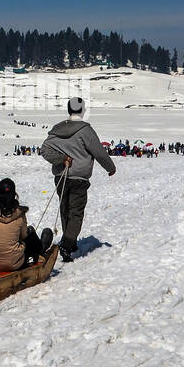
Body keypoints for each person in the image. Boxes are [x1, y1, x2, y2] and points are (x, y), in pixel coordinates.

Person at [40, 97, 116, 262]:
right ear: (82, 110)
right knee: (75, 213)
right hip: (79, 178)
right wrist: (110, 167)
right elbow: (99, 152)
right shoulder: (85, 130)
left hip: (61, 176)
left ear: (69, 109)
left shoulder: (56, 130)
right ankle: (67, 245)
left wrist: (61, 159)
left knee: (65, 210)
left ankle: (70, 243)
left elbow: (44, 150)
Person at [0, 178, 54, 271]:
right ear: (14, 195)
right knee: (29, 232)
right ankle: (41, 248)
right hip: (11, 263)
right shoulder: (19, 213)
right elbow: (23, 236)